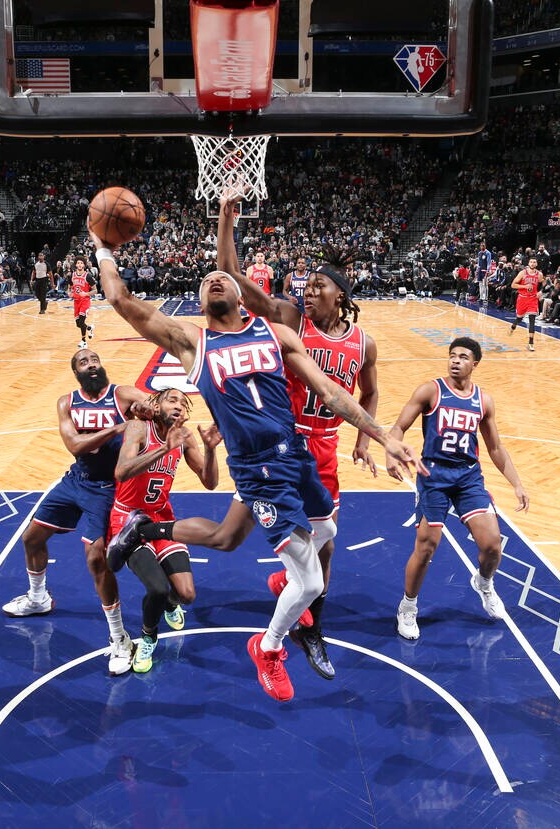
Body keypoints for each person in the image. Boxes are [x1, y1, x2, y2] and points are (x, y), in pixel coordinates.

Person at [90, 196, 420, 703]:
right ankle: (268, 648)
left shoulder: (278, 330)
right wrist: (102, 247)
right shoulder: (191, 343)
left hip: (297, 454)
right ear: (200, 306)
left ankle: (147, 530)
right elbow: (120, 299)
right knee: (309, 582)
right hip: (258, 470)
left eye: (220, 277)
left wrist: (383, 435)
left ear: (243, 295)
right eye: (204, 283)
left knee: (301, 530)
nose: (213, 280)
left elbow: (333, 394)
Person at [211, 216, 379, 681]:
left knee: (326, 544)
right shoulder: (288, 318)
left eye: (318, 285)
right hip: (278, 443)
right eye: (304, 284)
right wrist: (228, 219)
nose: (307, 290)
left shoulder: (364, 343)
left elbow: (368, 394)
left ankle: (312, 628)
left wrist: (365, 437)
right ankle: (151, 533)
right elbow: (228, 272)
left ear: (340, 295)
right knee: (230, 537)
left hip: (323, 448)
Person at [0, 349, 156, 676]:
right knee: (32, 538)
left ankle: (120, 639)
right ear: (76, 373)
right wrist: (117, 429)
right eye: (84, 362)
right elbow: (74, 445)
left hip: (106, 489)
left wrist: (149, 411)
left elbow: (152, 408)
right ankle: (38, 598)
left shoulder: (123, 394)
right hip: (75, 480)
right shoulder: (66, 402)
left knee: (96, 559)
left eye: (95, 359)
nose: (92, 364)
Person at [389, 337, 530, 640]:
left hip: (468, 477)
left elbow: (495, 448)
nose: (455, 361)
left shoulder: (483, 400)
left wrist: (516, 483)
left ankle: (484, 583)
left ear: (474, 364)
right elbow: (399, 426)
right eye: (452, 356)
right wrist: (393, 450)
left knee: (492, 546)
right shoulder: (431, 390)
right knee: (427, 545)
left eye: (463, 357)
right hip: (434, 475)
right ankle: (408, 607)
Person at [112, 388, 221, 673]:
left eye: (183, 404)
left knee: (186, 595)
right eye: (171, 400)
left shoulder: (184, 436)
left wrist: (210, 450)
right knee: (157, 588)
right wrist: (163, 447)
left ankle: (172, 603)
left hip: (160, 517)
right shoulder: (139, 428)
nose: (178, 406)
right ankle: (148, 637)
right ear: (155, 404)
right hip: (128, 520)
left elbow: (210, 482)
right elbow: (121, 472)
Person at [509, 258, 543, 351]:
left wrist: (540, 292)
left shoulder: (539, 274)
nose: (532, 263)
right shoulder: (522, 273)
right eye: (531, 262)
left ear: (536, 263)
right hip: (522, 298)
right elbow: (513, 285)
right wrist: (524, 286)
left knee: (532, 320)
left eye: (534, 262)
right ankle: (513, 326)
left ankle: (531, 343)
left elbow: (543, 284)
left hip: (533, 299)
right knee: (519, 318)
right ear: (528, 263)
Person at [70, 256, 95, 348]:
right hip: (76, 301)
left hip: (85, 301)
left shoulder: (88, 276)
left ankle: (84, 341)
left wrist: (86, 293)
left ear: (84, 265)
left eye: (81, 263)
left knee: (81, 321)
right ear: (76, 264)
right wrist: (69, 292)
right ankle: (89, 328)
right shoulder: (72, 275)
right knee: (78, 324)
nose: (80, 265)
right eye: (78, 263)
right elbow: (69, 287)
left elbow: (95, 290)